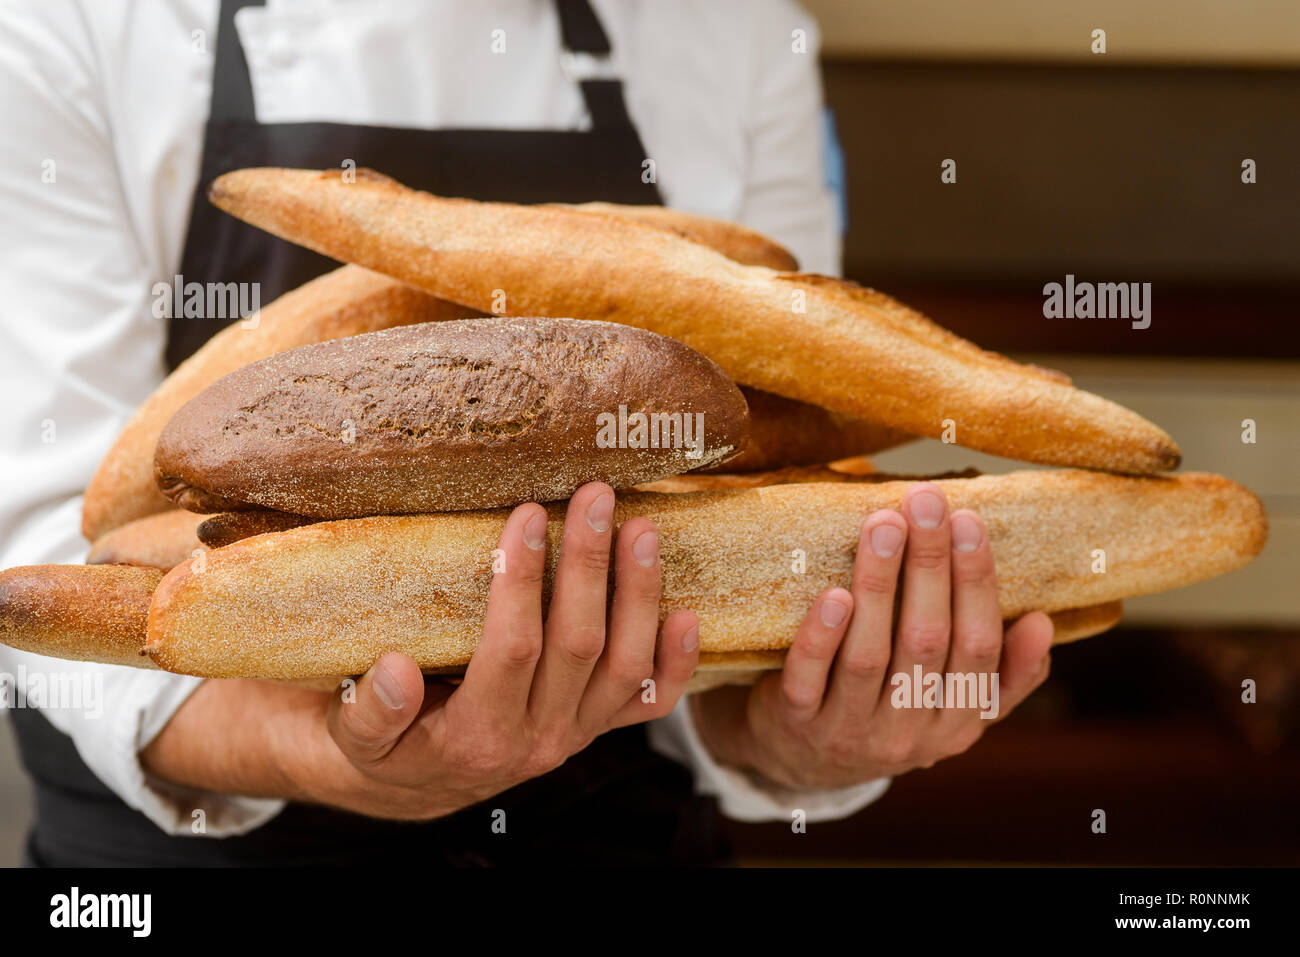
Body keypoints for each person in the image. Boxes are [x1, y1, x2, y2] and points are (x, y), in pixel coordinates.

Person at [0, 0, 1053, 867]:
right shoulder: (74, 24)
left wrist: (793, 743)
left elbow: (784, 468)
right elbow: (49, 549)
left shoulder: (731, 31)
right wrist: (323, 754)